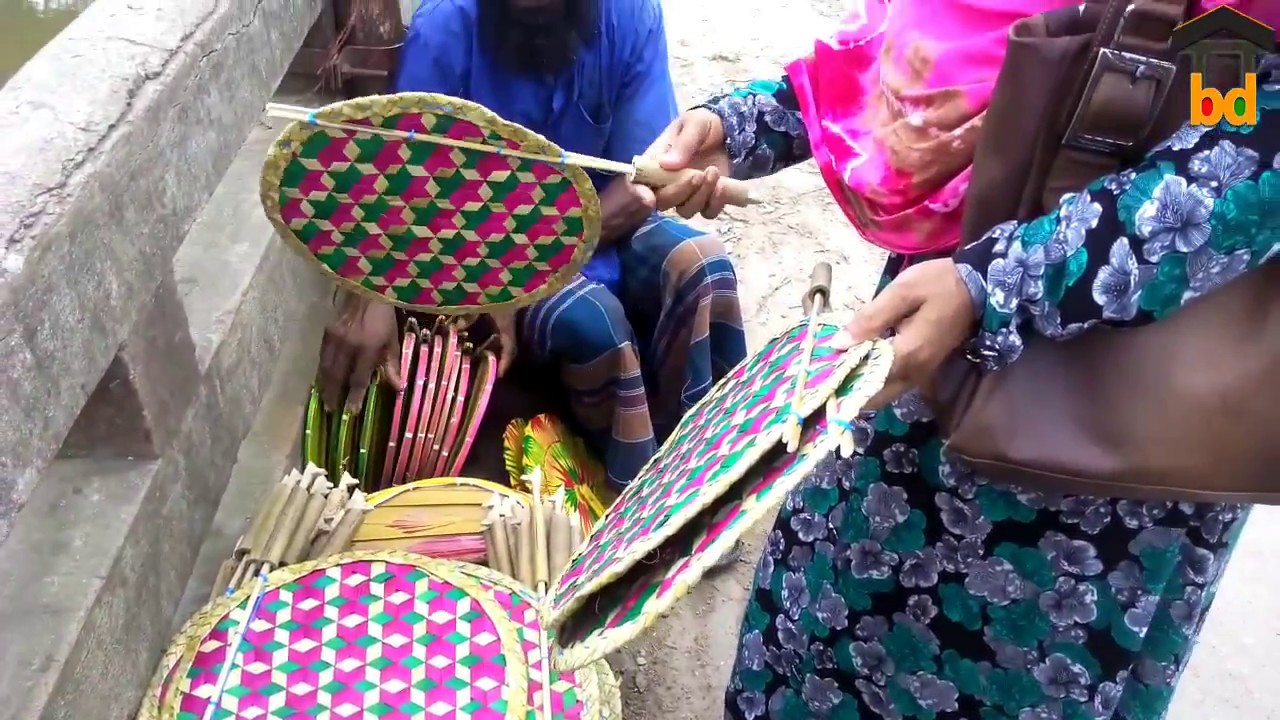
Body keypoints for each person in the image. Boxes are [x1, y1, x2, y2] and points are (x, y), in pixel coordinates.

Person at [648, 1, 1279, 717]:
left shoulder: (1236, 22)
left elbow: (1239, 154)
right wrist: (744, 125)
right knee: (823, 633)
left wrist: (994, 284)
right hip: (928, 355)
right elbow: (938, 60)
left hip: (1103, 468)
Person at [319, 0, 748, 488]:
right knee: (593, 320)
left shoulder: (630, 14)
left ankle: (705, 482)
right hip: (477, 260)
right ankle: (634, 513)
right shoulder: (444, 29)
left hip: (597, 232)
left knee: (703, 264)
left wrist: (534, 259)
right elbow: (403, 190)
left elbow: (637, 189)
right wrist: (374, 288)